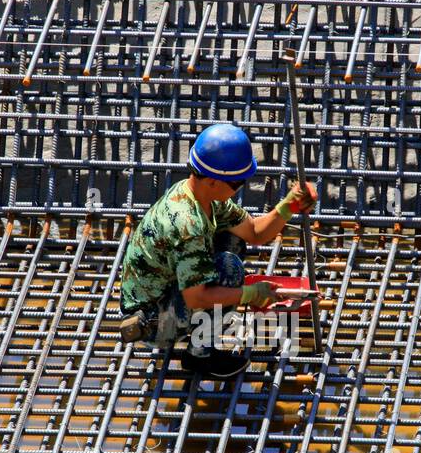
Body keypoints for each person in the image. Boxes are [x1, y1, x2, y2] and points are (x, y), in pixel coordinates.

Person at [118, 122, 317, 378]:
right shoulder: (186, 223)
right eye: (237, 183)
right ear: (213, 181)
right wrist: (251, 294)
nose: (240, 188)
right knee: (229, 269)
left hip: (168, 291)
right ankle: (200, 357)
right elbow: (196, 298)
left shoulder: (204, 197)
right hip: (154, 322)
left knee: (231, 241)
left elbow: (255, 232)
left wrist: (289, 206)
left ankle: (200, 340)